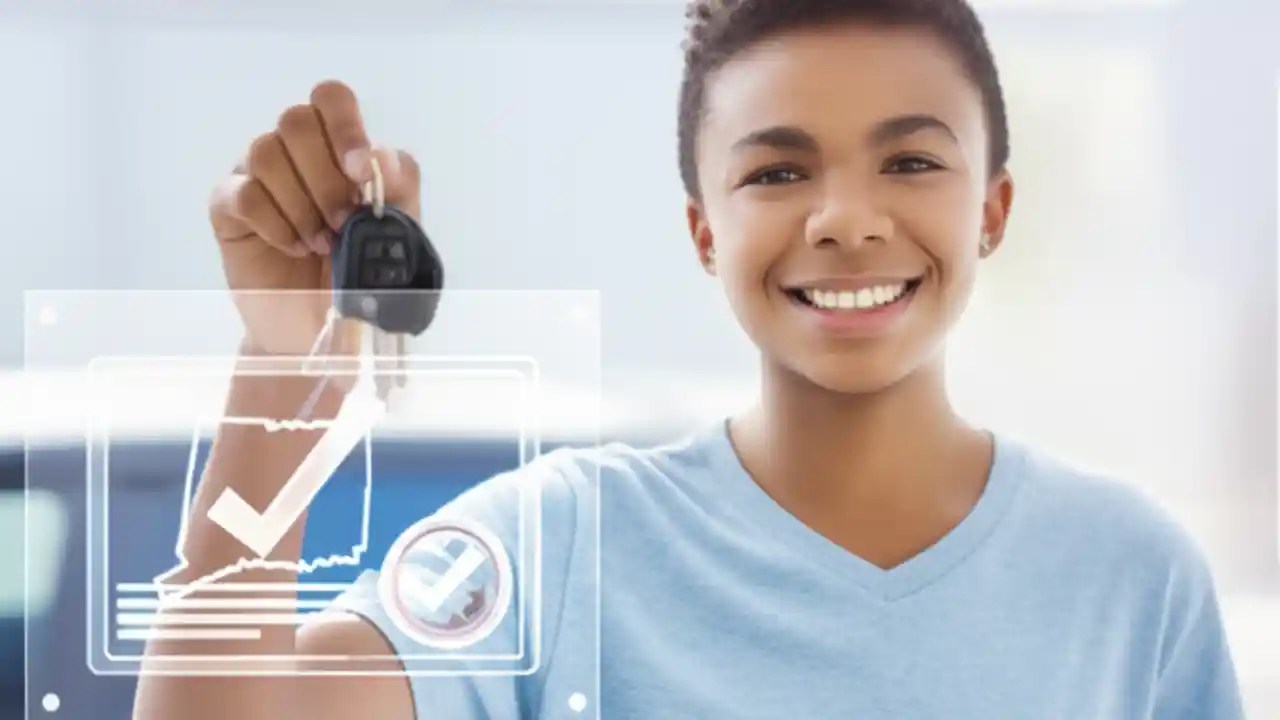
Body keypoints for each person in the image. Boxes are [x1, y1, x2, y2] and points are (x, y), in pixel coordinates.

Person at [133, 0, 1246, 717]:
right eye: (775, 173)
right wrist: (284, 372)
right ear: (702, 231)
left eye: (910, 162)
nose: (843, 221)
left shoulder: (1130, 579)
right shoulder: (554, 550)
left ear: (991, 209)